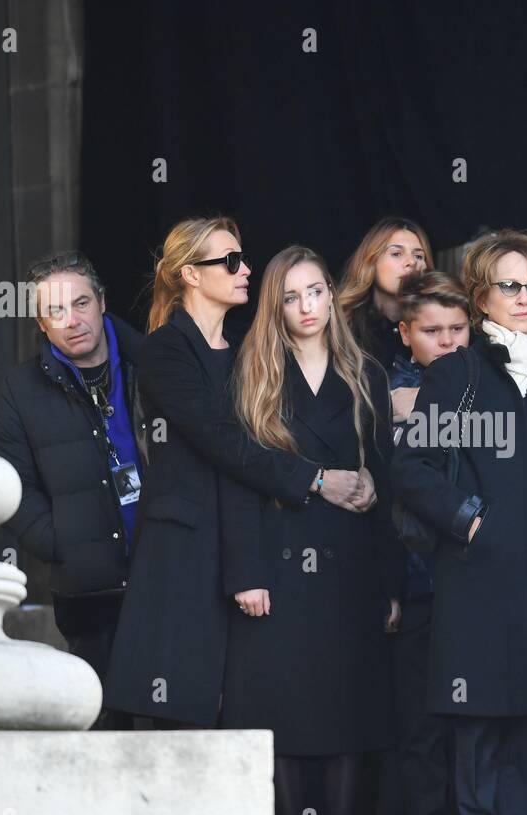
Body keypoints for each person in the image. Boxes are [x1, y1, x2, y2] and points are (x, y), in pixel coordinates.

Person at [103, 217, 375, 729]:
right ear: (191, 274)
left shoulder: (246, 352)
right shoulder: (164, 350)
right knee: (173, 723)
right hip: (183, 557)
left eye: (243, 257)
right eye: (230, 261)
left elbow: (283, 431)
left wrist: (368, 466)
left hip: (245, 550)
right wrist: (316, 479)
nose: (245, 268)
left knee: (238, 721)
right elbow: (224, 442)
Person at [392, 228, 527, 815]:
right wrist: (469, 520)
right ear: (481, 296)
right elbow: (409, 468)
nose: (524, 297)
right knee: (481, 735)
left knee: (525, 736)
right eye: (510, 286)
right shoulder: (455, 370)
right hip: (477, 583)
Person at [220, 246, 403, 815]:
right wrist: (245, 572)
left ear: (331, 294)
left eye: (316, 291)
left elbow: (385, 479)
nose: (306, 307)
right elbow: (239, 479)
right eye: (292, 296)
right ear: (276, 305)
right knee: (286, 720)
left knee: (350, 717)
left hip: (351, 569)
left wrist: (390, 583)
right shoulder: (250, 373)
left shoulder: (366, 373)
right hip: (278, 568)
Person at [0, 251, 147, 728]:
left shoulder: (152, 361)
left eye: (81, 303)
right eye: (56, 311)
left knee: (175, 723)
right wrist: (59, 543)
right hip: (88, 592)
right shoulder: (21, 388)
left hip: (168, 574)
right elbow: (10, 482)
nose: (72, 320)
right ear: (41, 322)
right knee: (105, 726)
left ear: (101, 301)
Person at [385, 269, 471, 815]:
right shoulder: (381, 393)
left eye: (458, 329)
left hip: (480, 584)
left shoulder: (496, 387)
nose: (447, 341)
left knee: (480, 722)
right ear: (404, 334)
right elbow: (375, 503)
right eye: (432, 330)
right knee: (420, 728)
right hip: (414, 584)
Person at [338, 217, 433, 376]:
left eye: (418, 256)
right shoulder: (343, 326)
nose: (410, 262)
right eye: (396, 253)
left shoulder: (438, 324)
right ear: (371, 262)